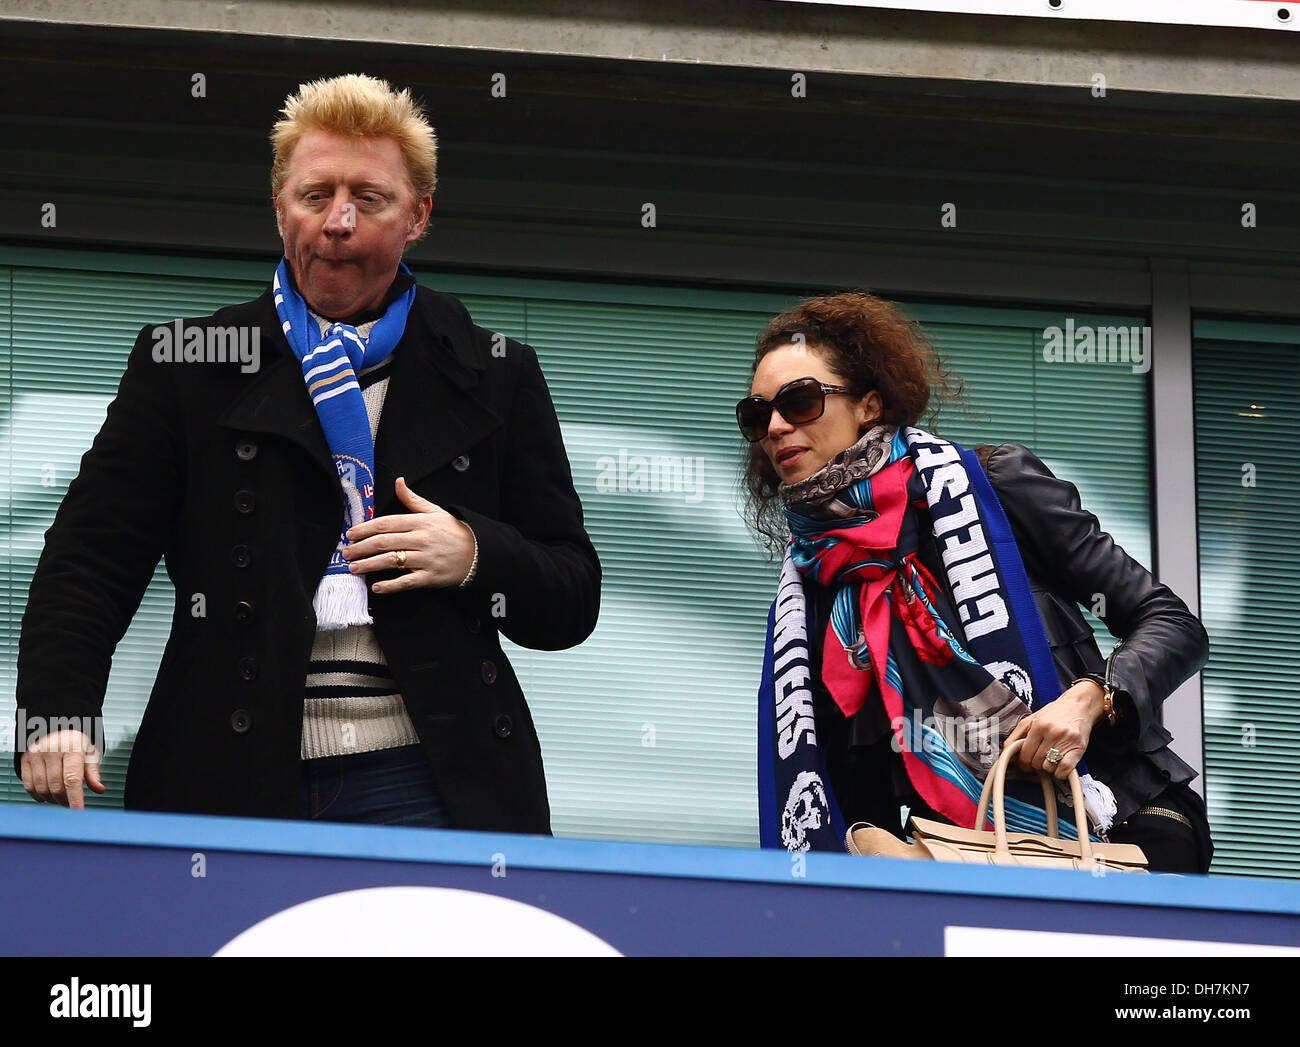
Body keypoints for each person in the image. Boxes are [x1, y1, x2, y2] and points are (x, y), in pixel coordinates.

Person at [15, 73, 600, 833]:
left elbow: (571, 591)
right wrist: (55, 713)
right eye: (315, 195)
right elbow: (90, 557)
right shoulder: (190, 362)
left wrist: (475, 554)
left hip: (431, 782)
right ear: (278, 204)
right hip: (228, 775)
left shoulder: (494, 372)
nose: (338, 223)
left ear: (419, 215)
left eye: (370, 198)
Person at [741, 292, 1212, 872]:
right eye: (758, 414)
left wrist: (1094, 697)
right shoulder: (807, 593)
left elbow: (1170, 623)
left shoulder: (991, 486)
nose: (777, 426)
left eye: (801, 400)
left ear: (868, 404)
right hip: (941, 872)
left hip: (1116, 827)